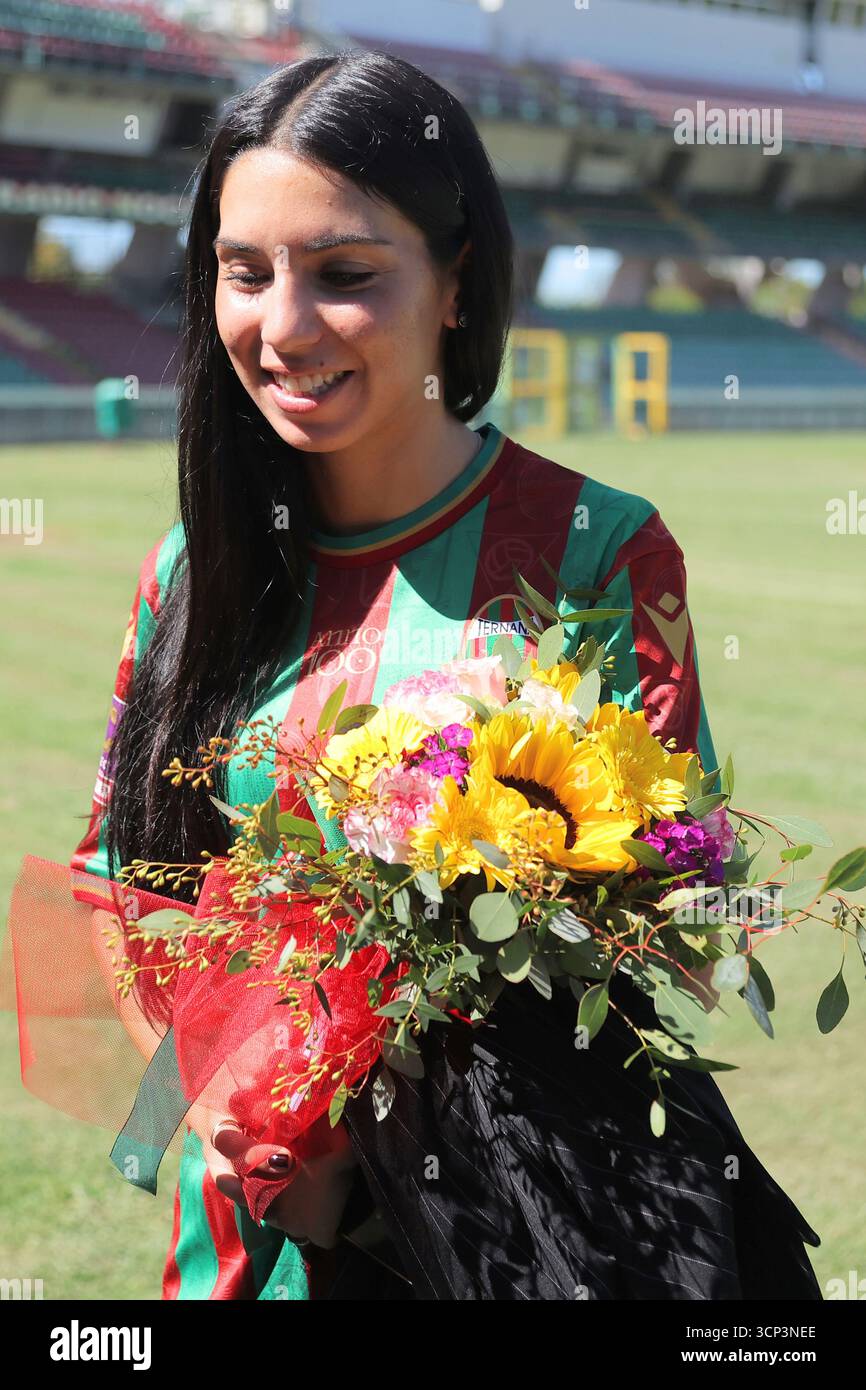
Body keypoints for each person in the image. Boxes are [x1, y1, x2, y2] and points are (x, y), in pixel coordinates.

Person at [69, 50, 821, 1300]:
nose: (282, 324)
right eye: (243, 272)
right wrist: (226, 1123)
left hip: (492, 1233)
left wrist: (379, 1148)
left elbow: (669, 907)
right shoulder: (192, 570)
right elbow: (120, 888)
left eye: (344, 275)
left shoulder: (597, 552)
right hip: (236, 1247)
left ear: (456, 286)